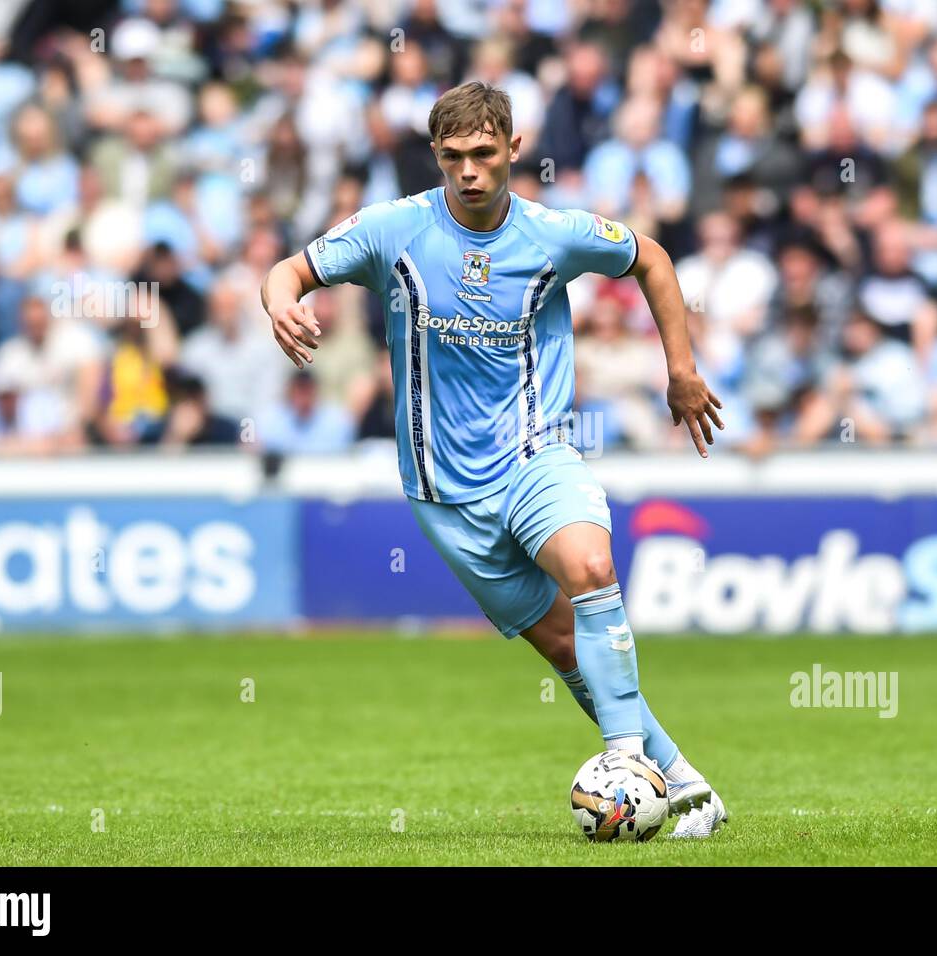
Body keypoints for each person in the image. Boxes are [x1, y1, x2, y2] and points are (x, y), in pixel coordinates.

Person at [261, 82, 729, 838]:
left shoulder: (555, 232)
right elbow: (289, 269)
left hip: (535, 454)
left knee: (590, 569)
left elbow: (654, 260)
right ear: (436, 157)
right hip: (442, 490)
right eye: (454, 157)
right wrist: (279, 301)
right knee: (559, 643)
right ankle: (686, 785)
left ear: (514, 148)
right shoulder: (393, 229)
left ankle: (622, 760)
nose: (470, 171)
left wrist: (680, 369)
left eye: (484, 153)